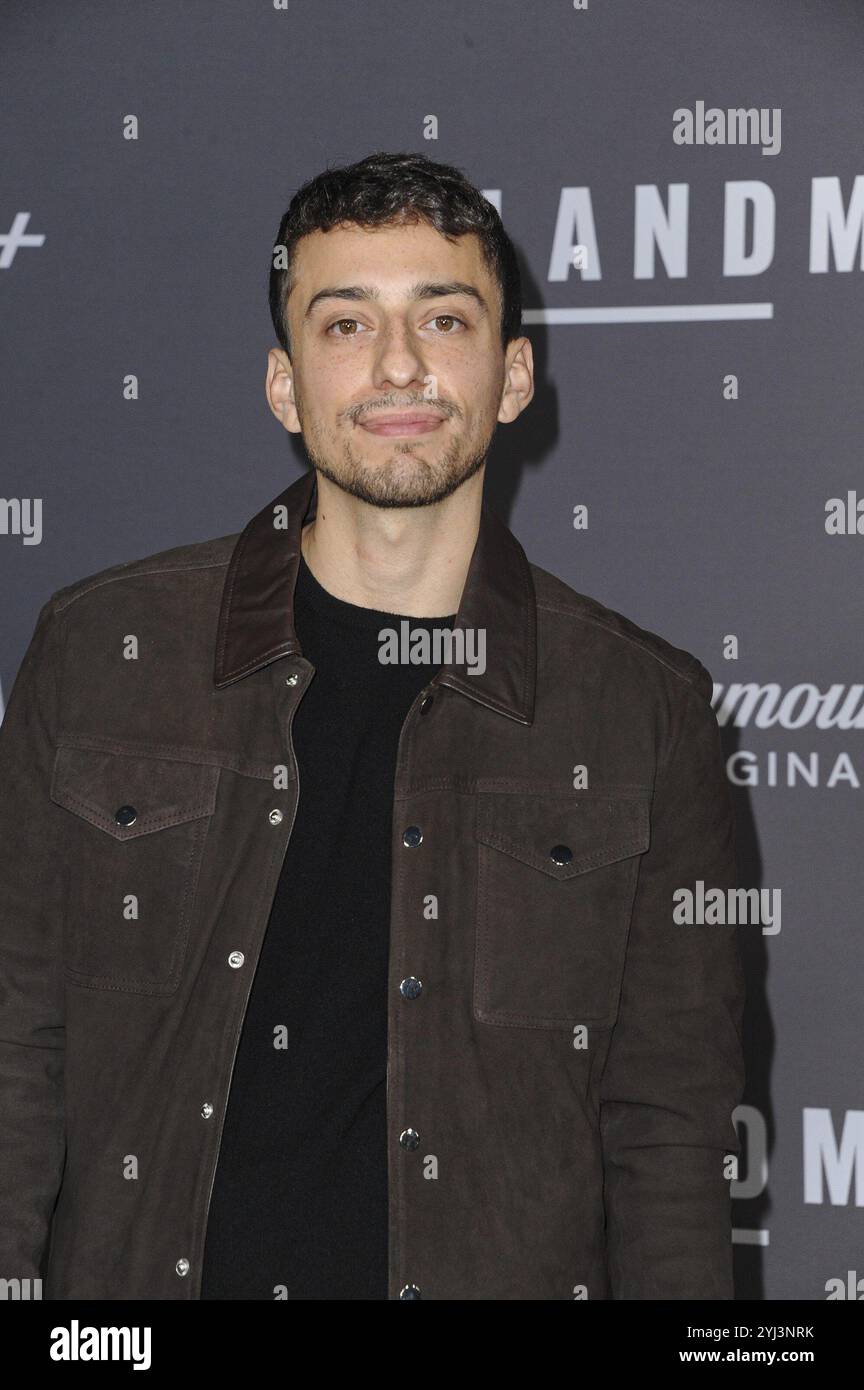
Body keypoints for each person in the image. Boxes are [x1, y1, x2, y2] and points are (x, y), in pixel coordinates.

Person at [0, 150, 745, 1301]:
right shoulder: (102, 653)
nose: (399, 363)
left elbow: (670, 1139)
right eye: (345, 324)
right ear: (284, 385)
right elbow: (15, 1054)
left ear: (511, 375)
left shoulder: (642, 708)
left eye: (443, 318)